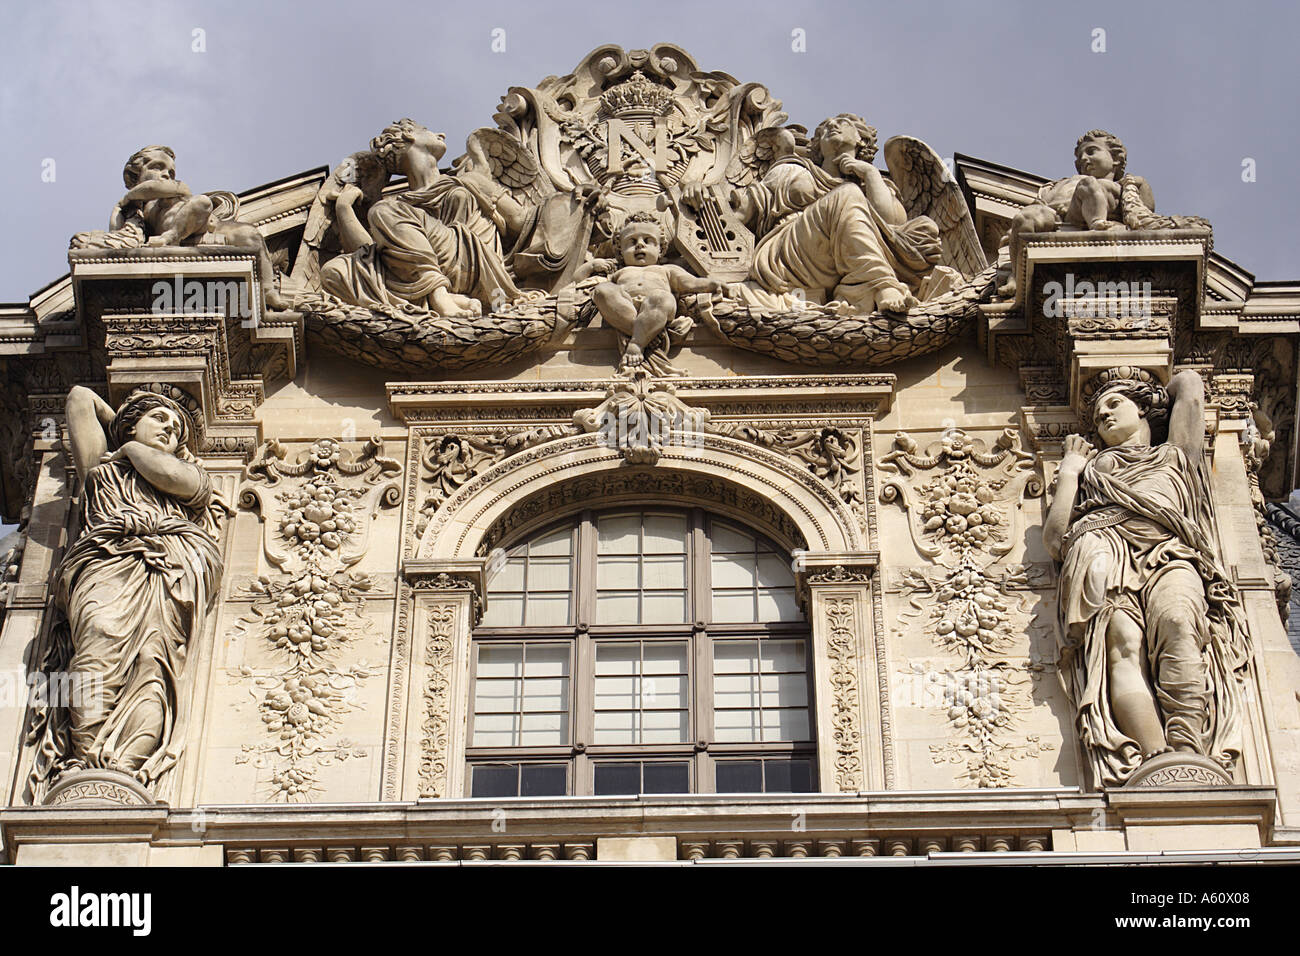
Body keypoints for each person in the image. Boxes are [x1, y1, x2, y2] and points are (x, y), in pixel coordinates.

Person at [1043, 369, 1249, 786]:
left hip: (1168, 551)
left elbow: (1189, 386)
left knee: (1178, 623)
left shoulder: (1177, 457)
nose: (1103, 415)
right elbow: (1053, 538)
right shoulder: (1089, 474)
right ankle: (1155, 761)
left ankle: (1189, 749)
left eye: (1114, 405)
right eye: (1097, 414)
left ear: (1144, 409)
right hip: (1102, 548)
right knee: (1122, 646)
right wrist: (1069, 470)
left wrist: (1152, 382)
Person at [28, 387, 223, 796]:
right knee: (97, 644)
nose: (170, 429)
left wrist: (132, 444)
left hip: (168, 570)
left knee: (154, 665)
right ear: (129, 425)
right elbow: (80, 397)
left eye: (177, 428)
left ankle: (124, 773)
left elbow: (175, 477)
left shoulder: (190, 478)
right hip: (108, 563)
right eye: (160, 420)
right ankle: (84, 763)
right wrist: (121, 428)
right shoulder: (102, 471)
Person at [684, 113, 951, 315]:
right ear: (818, 144)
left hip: (843, 259)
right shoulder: (793, 170)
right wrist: (703, 196)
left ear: (860, 140)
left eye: (843, 123)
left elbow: (892, 225)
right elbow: (742, 211)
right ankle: (880, 286)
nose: (833, 125)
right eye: (825, 128)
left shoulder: (870, 184)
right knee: (847, 195)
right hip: (790, 255)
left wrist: (868, 173)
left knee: (922, 226)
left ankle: (859, 286)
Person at [577, 212, 724, 369]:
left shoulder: (667, 270)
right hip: (625, 308)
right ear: (620, 251)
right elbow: (575, 283)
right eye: (632, 242)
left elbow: (692, 283)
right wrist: (590, 266)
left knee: (661, 298)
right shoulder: (618, 272)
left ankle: (636, 344)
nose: (640, 245)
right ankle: (644, 333)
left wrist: (713, 284)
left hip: (656, 306)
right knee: (602, 290)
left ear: (660, 249)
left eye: (648, 240)